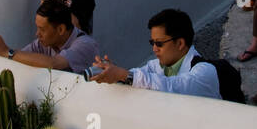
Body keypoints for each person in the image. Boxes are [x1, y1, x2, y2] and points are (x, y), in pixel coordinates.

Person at [90, 8, 221, 98]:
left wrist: (123, 75)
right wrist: (112, 74)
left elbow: (173, 87)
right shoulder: (156, 66)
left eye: (159, 43)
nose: (154, 49)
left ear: (180, 43)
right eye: (152, 43)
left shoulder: (205, 72)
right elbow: (136, 78)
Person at [0, 0, 100, 73]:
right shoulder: (45, 43)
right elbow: (19, 59)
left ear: (61, 29)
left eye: (42, 29)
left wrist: (7, 51)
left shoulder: (85, 44)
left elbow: (54, 64)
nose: (37, 34)